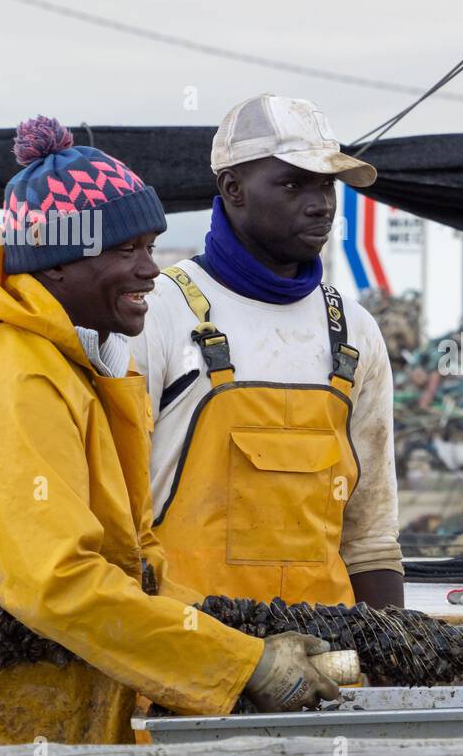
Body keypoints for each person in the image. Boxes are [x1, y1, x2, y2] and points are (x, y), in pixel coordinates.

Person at [0, 117, 337, 747]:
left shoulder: (82, 375)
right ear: (54, 267)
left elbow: (132, 568)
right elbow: (59, 582)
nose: (150, 273)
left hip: (30, 734)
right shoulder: (17, 387)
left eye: (151, 248)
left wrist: (240, 642)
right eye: (126, 251)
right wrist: (241, 665)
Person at [130, 95, 404, 609]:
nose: (320, 202)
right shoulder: (160, 313)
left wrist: (392, 663)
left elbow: (370, 535)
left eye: (326, 183)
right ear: (233, 189)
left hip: (325, 664)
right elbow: (114, 515)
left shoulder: (353, 332)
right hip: (187, 661)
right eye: (293, 183)